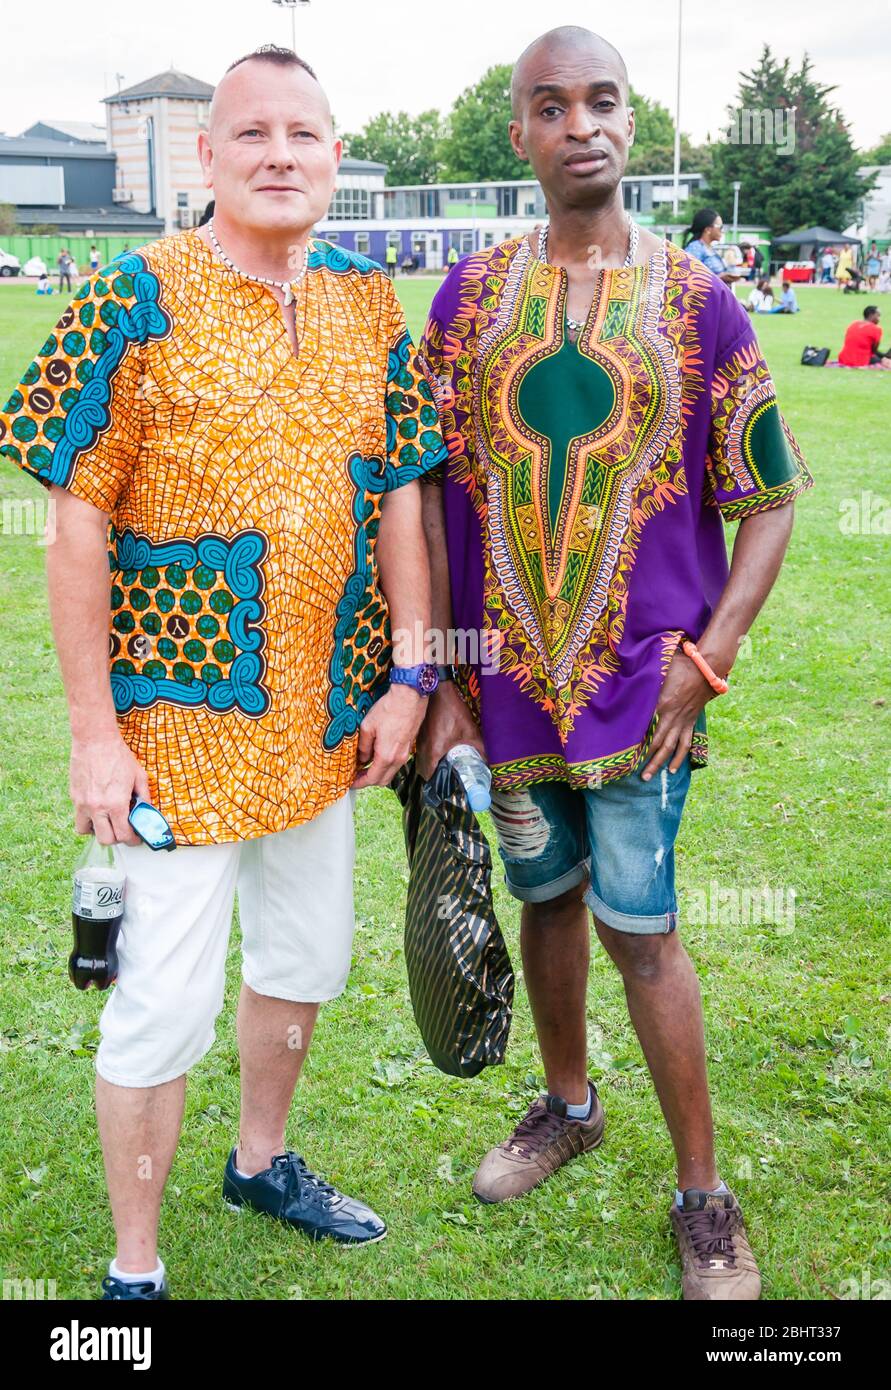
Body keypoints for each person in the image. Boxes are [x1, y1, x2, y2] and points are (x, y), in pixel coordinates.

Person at [0, 44, 447, 1301]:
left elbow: (403, 481)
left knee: (305, 961)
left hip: (324, 718)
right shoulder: (129, 296)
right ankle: (133, 1272)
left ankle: (262, 1158)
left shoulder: (367, 299)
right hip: (177, 730)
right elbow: (76, 517)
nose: (278, 156)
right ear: (205, 155)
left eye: (303, 135)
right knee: (160, 1004)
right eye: (251, 134)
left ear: (337, 156)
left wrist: (412, 674)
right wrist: (95, 731)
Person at [417, 24, 813, 1303]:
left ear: (629, 124)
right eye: (551, 104)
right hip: (508, 686)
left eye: (602, 101)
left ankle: (705, 1200)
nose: (580, 122)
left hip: (646, 693)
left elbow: (769, 491)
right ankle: (569, 1104)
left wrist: (718, 653)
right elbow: (428, 495)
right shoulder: (466, 299)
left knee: (645, 930)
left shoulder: (698, 298)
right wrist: (447, 680)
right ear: (521, 134)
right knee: (545, 901)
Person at [682, 209, 737, 283]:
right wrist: (718, 278)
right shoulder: (695, 248)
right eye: (720, 227)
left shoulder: (709, 248)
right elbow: (687, 277)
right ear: (708, 229)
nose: (722, 231)